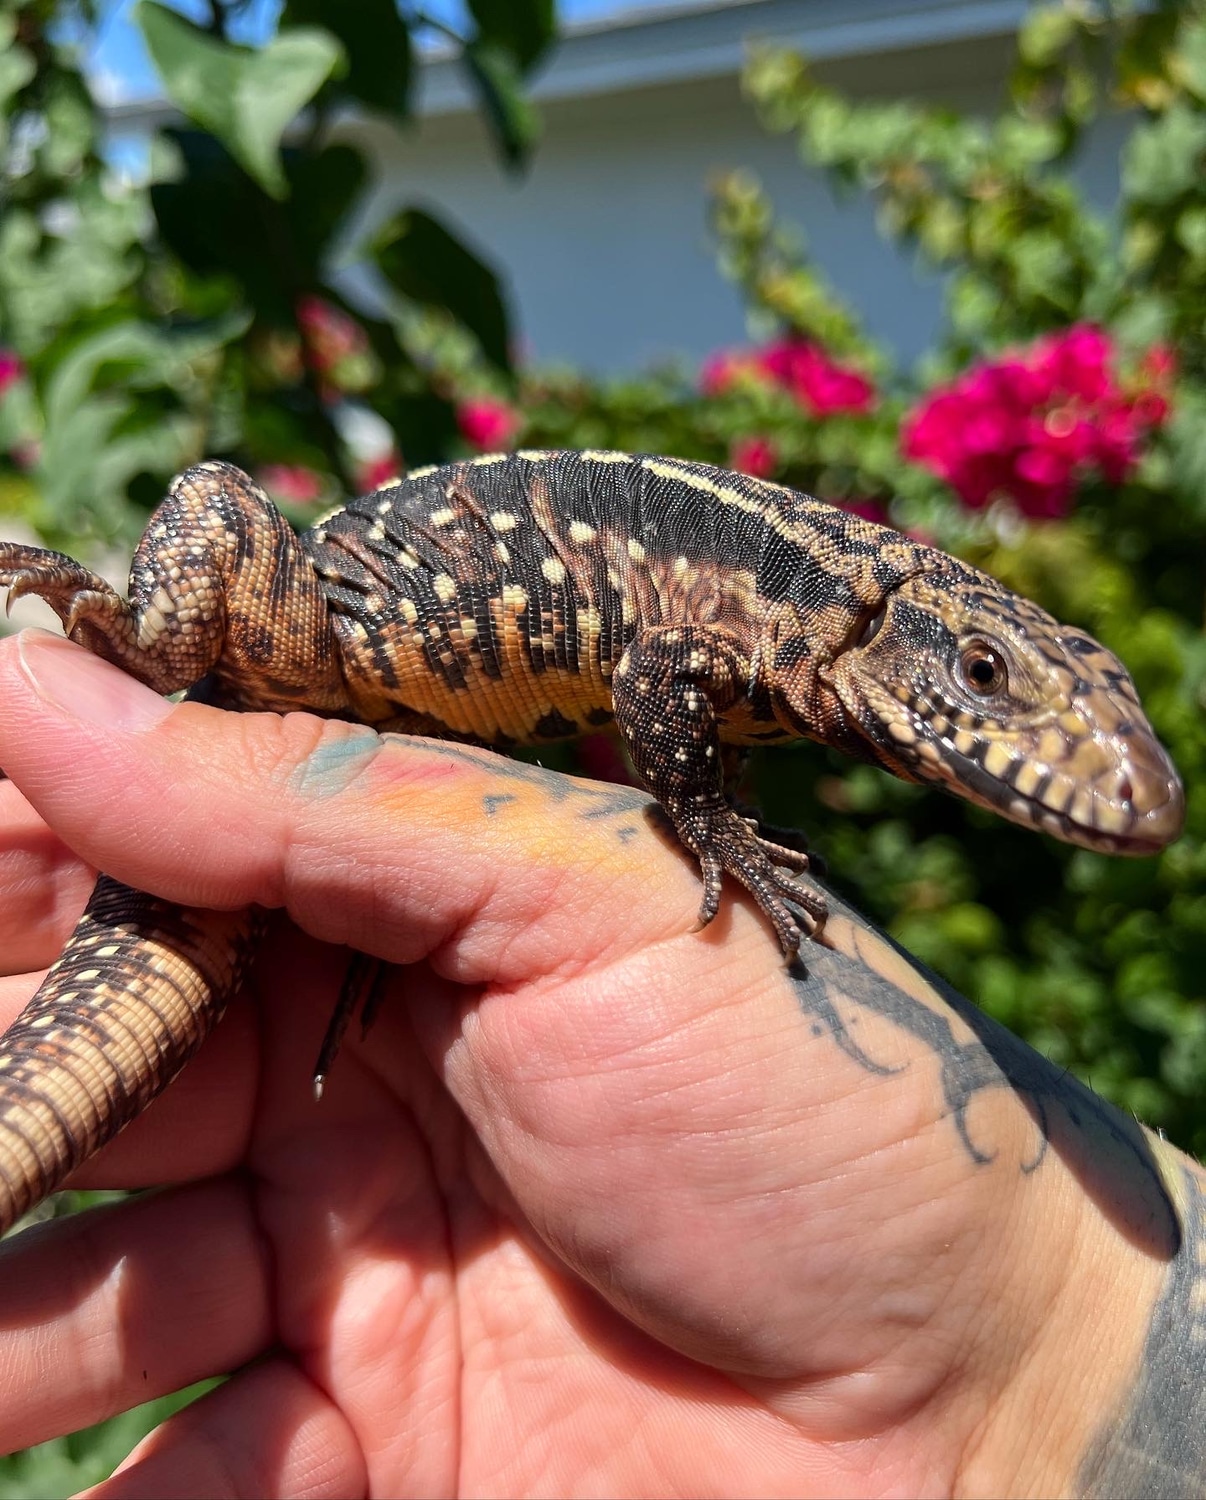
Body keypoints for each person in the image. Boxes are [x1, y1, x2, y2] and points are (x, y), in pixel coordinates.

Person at [0, 628, 1201, 1499]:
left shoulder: (803, 644)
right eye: (985, 676)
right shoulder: (784, 609)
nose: (1116, 770)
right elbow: (656, 668)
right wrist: (705, 820)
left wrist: (1045, 1324)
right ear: (896, 635)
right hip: (324, 637)